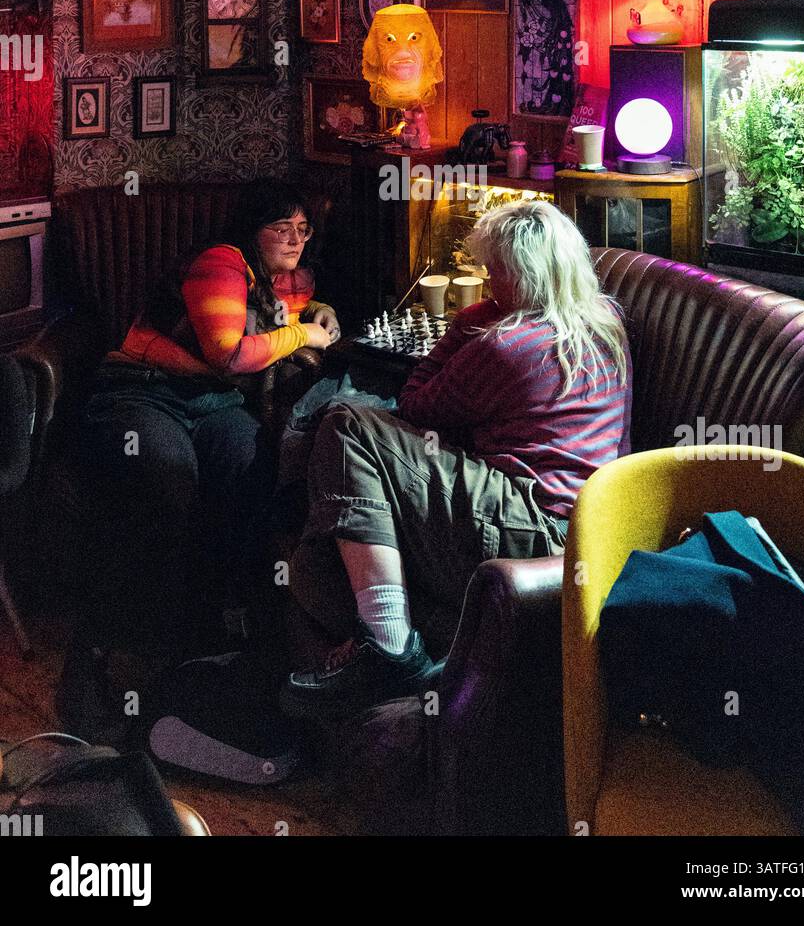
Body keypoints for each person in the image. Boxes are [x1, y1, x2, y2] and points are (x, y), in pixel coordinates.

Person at [282, 199, 632, 712]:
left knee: (349, 423)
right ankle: (445, 643)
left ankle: (390, 645)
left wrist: (464, 324)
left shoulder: (509, 346)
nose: (489, 282)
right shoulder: (607, 319)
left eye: (497, 272)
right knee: (319, 561)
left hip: (528, 522)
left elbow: (418, 406)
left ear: (525, 274)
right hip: (585, 521)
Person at [74, 179, 340, 661]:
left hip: (212, 402)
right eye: (282, 228)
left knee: (252, 461)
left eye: (303, 228)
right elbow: (231, 354)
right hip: (145, 391)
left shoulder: (278, 275)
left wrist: (319, 312)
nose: (297, 239)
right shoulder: (221, 261)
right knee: (168, 470)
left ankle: (230, 615)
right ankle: (132, 635)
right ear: (252, 232)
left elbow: (284, 309)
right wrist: (302, 334)